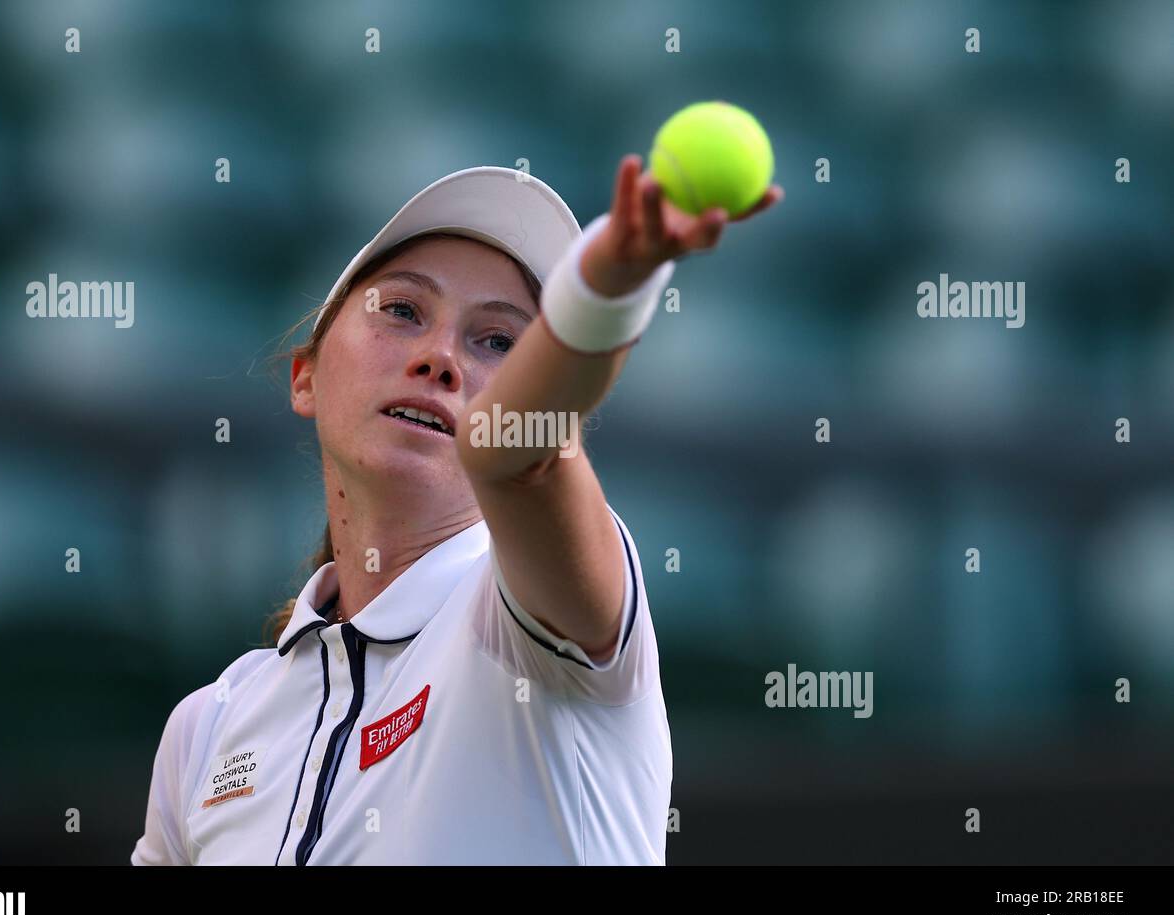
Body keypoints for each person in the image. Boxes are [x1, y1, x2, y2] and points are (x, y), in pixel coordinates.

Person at [131, 157, 782, 865]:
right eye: (403, 310)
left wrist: (604, 292)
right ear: (306, 375)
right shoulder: (207, 729)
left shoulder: (527, 626)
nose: (441, 357)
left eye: (500, 341)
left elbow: (509, 450)